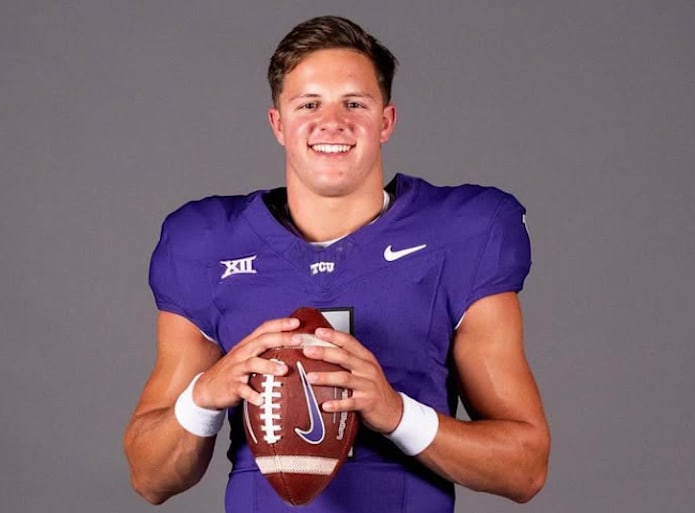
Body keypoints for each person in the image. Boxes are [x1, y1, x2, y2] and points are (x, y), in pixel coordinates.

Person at [123, 15, 550, 513]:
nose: (332, 122)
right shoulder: (207, 243)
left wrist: (396, 413)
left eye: (354, 103)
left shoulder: (460, 233)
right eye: (309, 104)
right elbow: (149, 478)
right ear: (278, 124)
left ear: (385, 121)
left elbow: (525, 468)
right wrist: (204, 396)